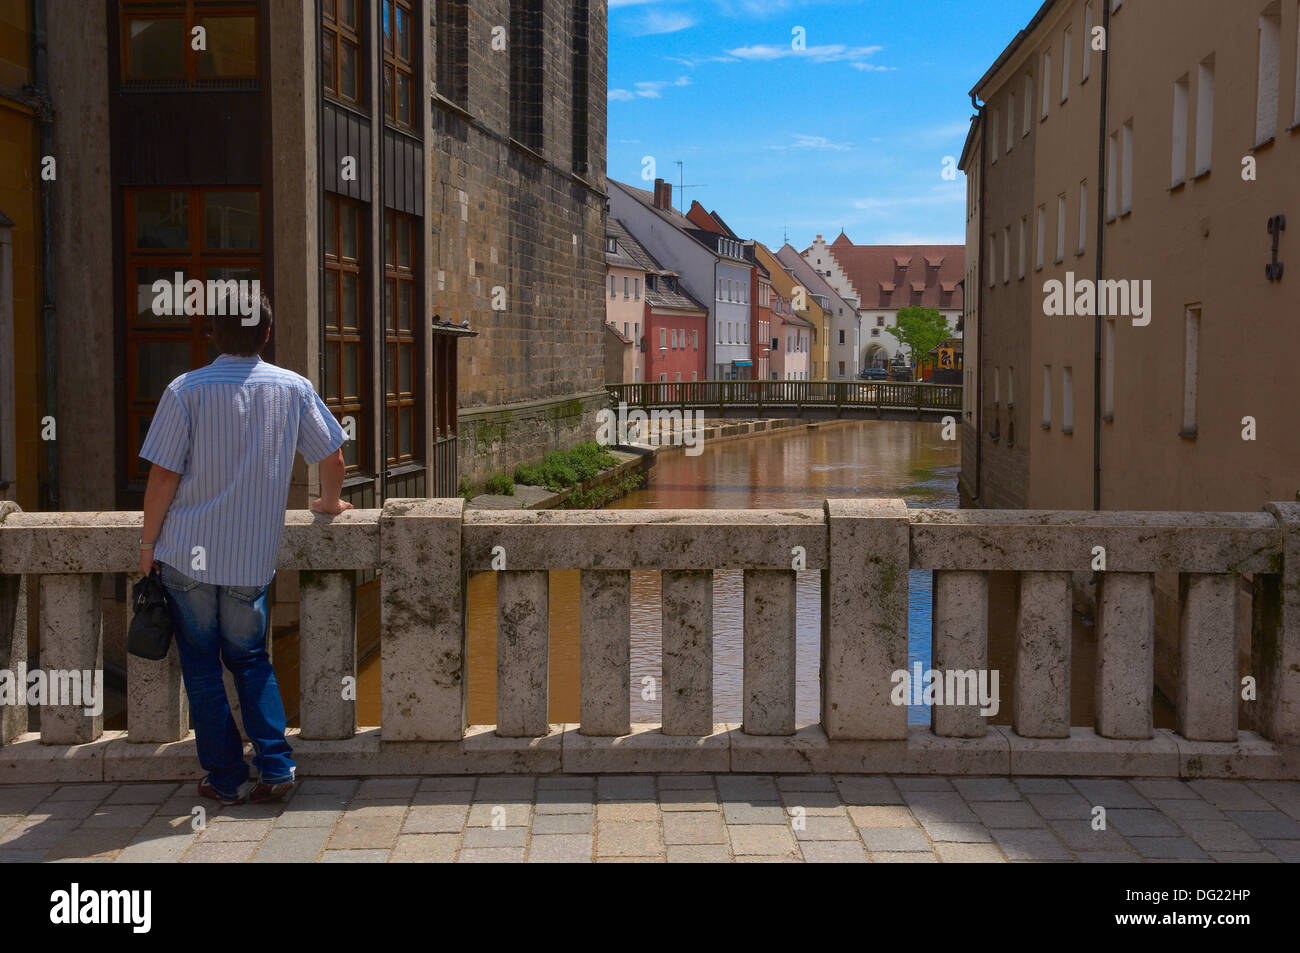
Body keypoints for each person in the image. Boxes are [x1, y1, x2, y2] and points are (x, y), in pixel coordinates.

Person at [137, 289, 351, 806]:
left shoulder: (185, 389)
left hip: (186, 551)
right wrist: (327, 503)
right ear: (267, 334)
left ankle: (227, 777)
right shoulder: (292, 388)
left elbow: (163, 475)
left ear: (212, 333)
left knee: (203, 666)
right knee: (251, 659)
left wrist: (148, 544)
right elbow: (333, 457)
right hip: (249, 557)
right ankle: (276, 767)